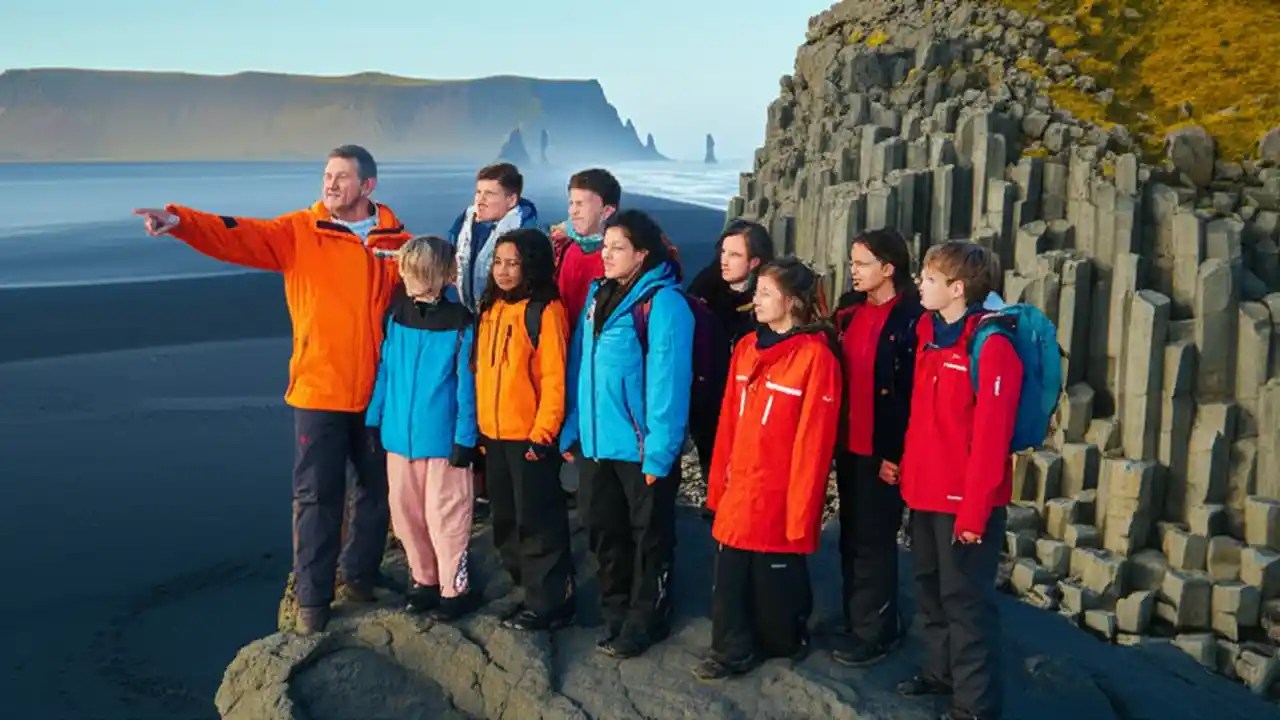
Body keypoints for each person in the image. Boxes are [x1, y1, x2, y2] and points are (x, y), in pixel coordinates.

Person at [133, 145, 411, 635]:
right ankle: (313, 603)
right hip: (318, 391)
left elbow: (431, 287)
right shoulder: (298, 233)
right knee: (316, 498)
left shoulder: (395, 243)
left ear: (368, 186)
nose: (330, 185)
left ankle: (362, 575)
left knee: (376, 491)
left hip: (377, 391)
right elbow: (237, 233)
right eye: (326, 175)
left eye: (342, 177)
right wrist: (180, 222)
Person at [693, 257, 841, 681]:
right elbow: (728, 424)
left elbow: (813, 443)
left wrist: (801, 513)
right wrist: (716, 486)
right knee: (731, 568)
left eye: (765, 293)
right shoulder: (746, 349)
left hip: (777, 489)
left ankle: (782, 637)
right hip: (742, 482)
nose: (754, 300)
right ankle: (732, 648)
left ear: (792, 302)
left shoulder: (815, 358)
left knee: (773, 577)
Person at [560, 209, 693, 659]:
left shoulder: (664, 303)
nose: (606, 256)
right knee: (604, 531)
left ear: (642, 253)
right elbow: (581, 366)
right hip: (598, 445)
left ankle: (646, 619)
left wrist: (659, 452)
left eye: (617, 248)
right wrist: (573, 428)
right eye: (605, 246)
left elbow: (668, 384)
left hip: (640, 449)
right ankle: (616, 613)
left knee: (649, 539)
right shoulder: (599, 295)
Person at [897, 241, 1022, 720]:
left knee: (966, 603)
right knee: (930, 589)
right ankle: (939, 673)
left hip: (964, 506)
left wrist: (973, 513)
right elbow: (923, 419)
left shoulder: (991, 347)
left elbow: (991, 442)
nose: (919, 285)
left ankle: (973, 707)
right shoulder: (931, 333)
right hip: (926, 493)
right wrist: (906, 472)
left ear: (956, 288)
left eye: (928, 279)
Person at [366, 236, 480, 622]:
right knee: (405, 514)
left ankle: (454, 587)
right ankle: (424, 580)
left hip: (443, 441)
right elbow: (386, 371)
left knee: (445, 514)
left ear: (442, 275)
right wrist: (374, 418)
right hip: (398, 436)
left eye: (415, 269)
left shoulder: (462, 322)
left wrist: (465, 438)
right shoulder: (396, 316)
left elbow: (466, 387)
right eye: (406, 268)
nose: (407, 275)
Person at [829, 229, 924, 667]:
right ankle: (857, 619)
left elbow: (914, 395)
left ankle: (876, 631)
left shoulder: (912, 319)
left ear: (889, 268)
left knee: (874, 540)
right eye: (853, 261)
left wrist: (899, 454)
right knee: (852, 535)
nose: (853, 269)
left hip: (882, 450)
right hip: (847, 445)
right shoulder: (848, 311)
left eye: (863, 263)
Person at [474, 228, 576, 631]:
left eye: (513, 263)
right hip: (494, 435)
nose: (503, 270)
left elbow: (555, 378)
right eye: (498, 262)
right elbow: (480, 372)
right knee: (506, 518)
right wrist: (481, 431)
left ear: (531, 264)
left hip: (530, 436)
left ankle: (551, 604)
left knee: (539, 520)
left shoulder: (545, 311)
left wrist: (543, 434)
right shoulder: (491, 308)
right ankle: (527, 590)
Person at [685, 219, 776, 483]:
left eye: (735, 255)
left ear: (755, 262)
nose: (724, 260)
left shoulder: (768, 305)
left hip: (748, 408)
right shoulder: (704, 292)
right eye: (723, 252)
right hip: (708, 402)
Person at [448, 162, 540, 313]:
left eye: (489, 194)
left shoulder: (528, 238)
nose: (480, 200)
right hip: (468, 318)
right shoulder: (462, 224)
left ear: (511, 200)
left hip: (507, 317)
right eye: (478, 192)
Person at [550, 168, 621, 328]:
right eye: (571, 203)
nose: (573, 211)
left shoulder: (620, 260)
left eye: (581, 204)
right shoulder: (564, 248)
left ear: (607, 211)